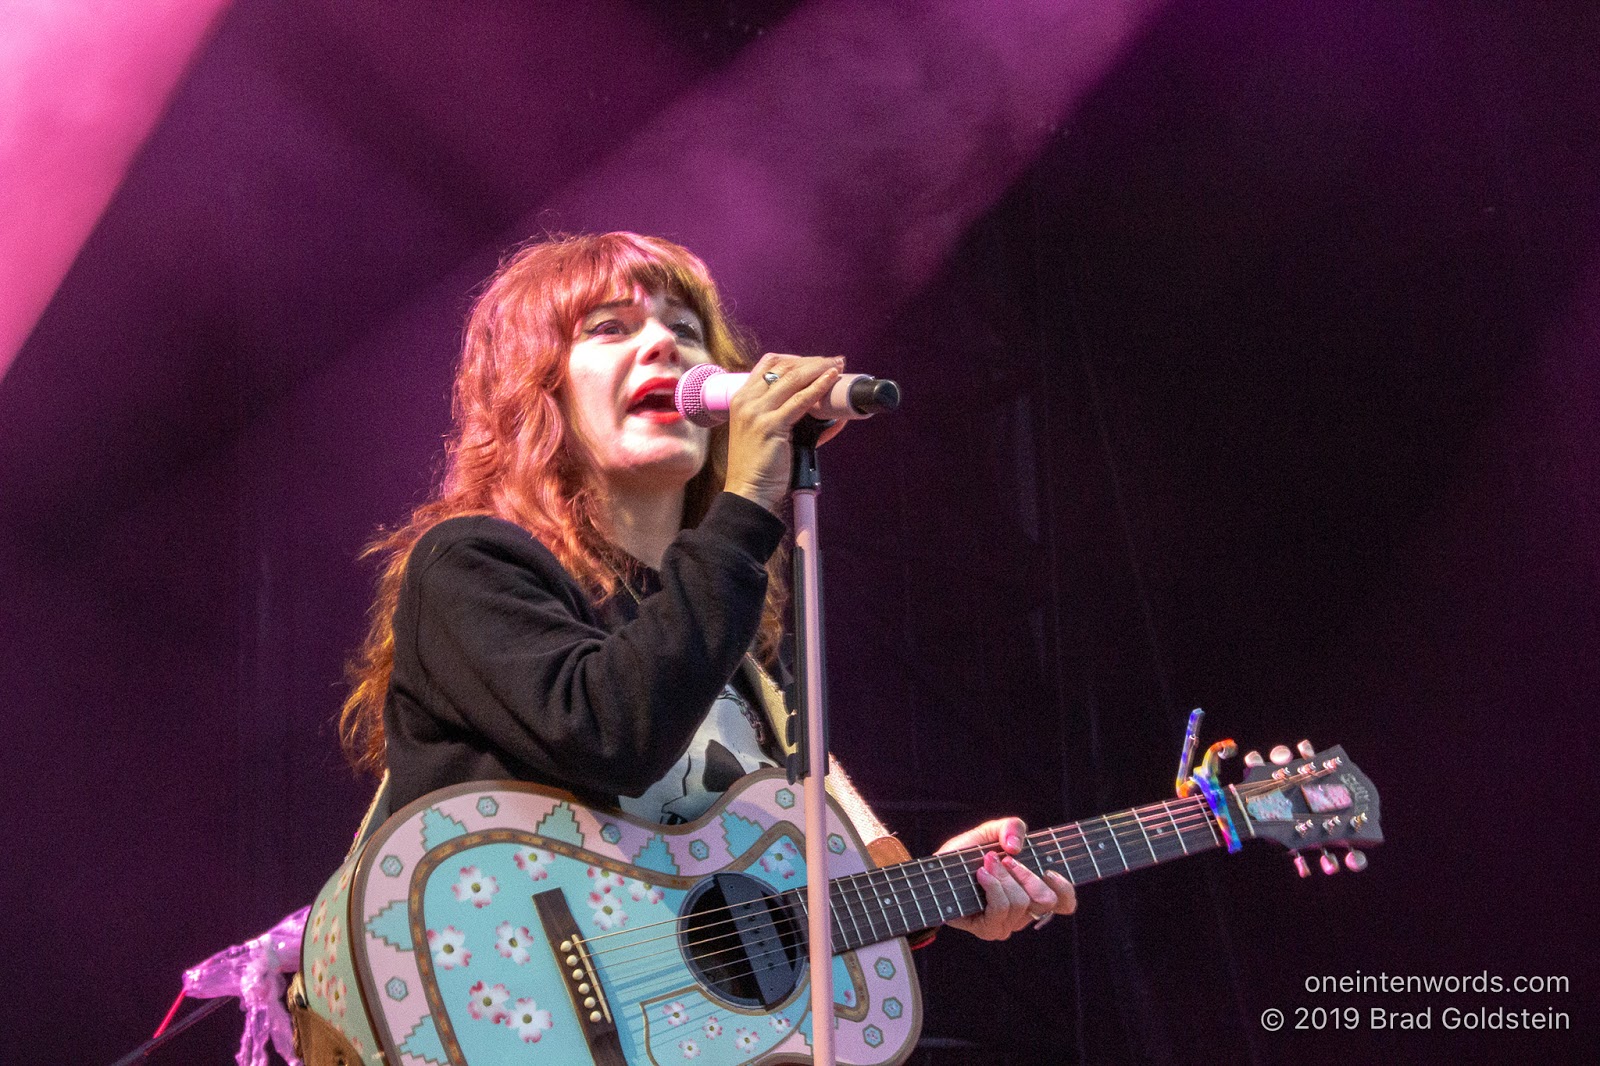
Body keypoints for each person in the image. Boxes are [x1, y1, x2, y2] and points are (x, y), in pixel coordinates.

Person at [339, 231, 1074, 942]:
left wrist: (935, 894)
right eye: (608, 328)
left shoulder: (732, 641)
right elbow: (610, 733)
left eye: (686, 330)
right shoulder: (472, 565)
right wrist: (749, 499)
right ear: (540, 392)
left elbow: (757, 906)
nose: (664, 345)